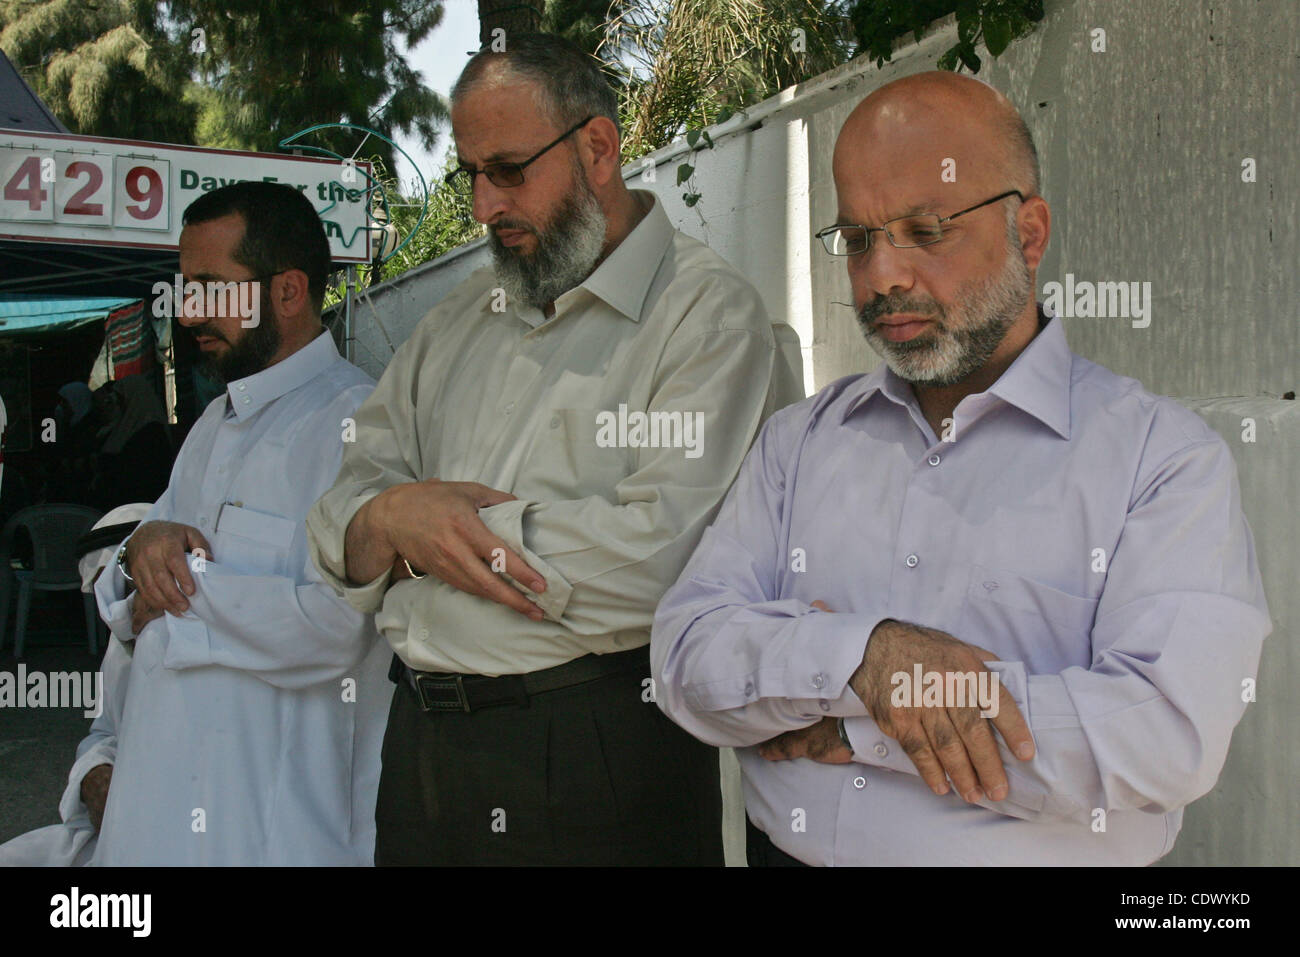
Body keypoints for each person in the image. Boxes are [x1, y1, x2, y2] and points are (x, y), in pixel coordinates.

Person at [650, 71, 1271, 866]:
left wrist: (857, 715)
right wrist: (866, 655)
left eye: (926, 228)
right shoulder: (799, 442)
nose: (882, 276)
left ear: (1031, 232)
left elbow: (1165, 734)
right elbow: (685, 655)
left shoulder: (1163, 461)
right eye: (860, 238)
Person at [306, 33, 803, 865]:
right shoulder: (455, 322)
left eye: (508, 169)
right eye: (470, 174)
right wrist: (393, 515)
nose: (482, 206)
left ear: (598, 148)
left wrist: (426, 538)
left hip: (595, 751)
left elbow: (658, 562)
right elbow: (338, 524)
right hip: (420, 754)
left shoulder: (707, 318)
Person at [92, 181, 391, 865]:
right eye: (184, 288)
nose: (189, 310)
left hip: (277, 834)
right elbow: (128, 584)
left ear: (288, 292)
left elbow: (335, 628)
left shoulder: (360, 427)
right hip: (159, 823)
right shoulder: (209, 425)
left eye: (209, 287)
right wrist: (144, 548)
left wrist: (178, 586)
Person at [0, 503, 149, 867]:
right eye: (110, 596)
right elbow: (104, 732)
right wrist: (92, 774)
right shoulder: (122, 643)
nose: (122, 608)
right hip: (119, 829)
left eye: (131, 589)